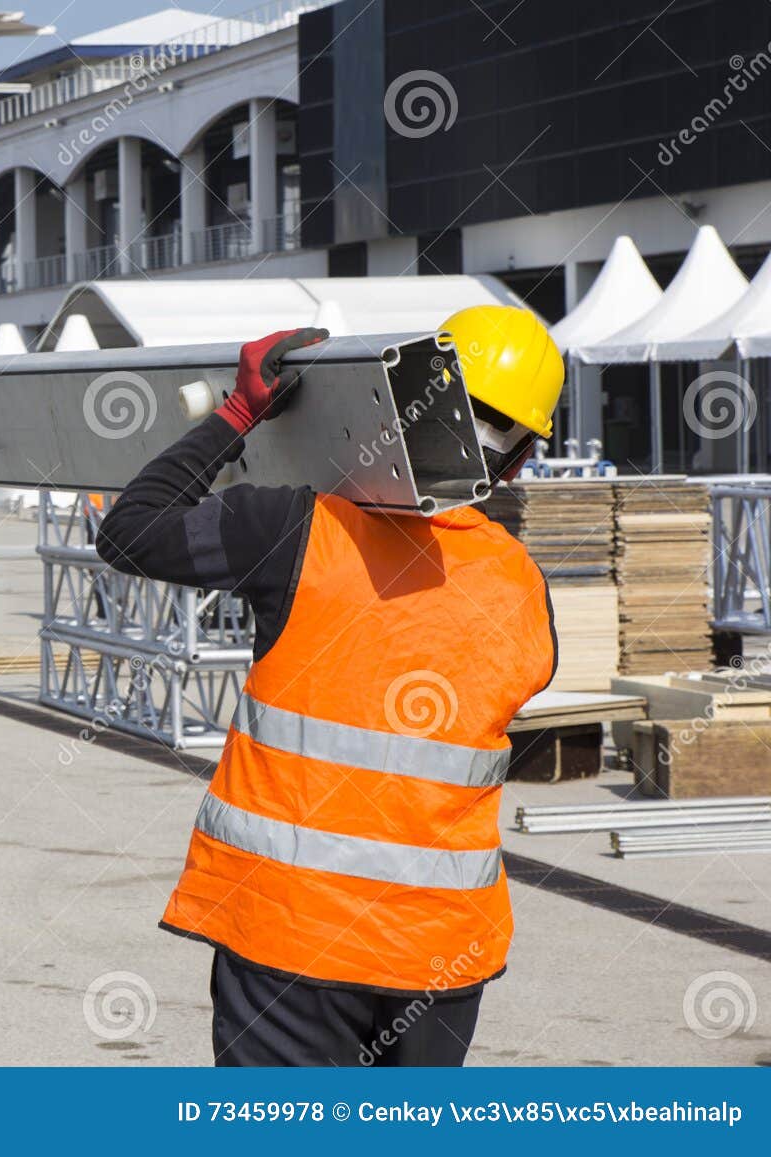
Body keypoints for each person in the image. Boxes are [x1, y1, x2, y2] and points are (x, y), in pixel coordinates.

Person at [96, 307, 562, 1066]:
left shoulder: (296, 531)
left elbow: (130, 529)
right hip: (438, 958)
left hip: (292, 938)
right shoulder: (523, 589)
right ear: (519, 461)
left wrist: (242, 410)